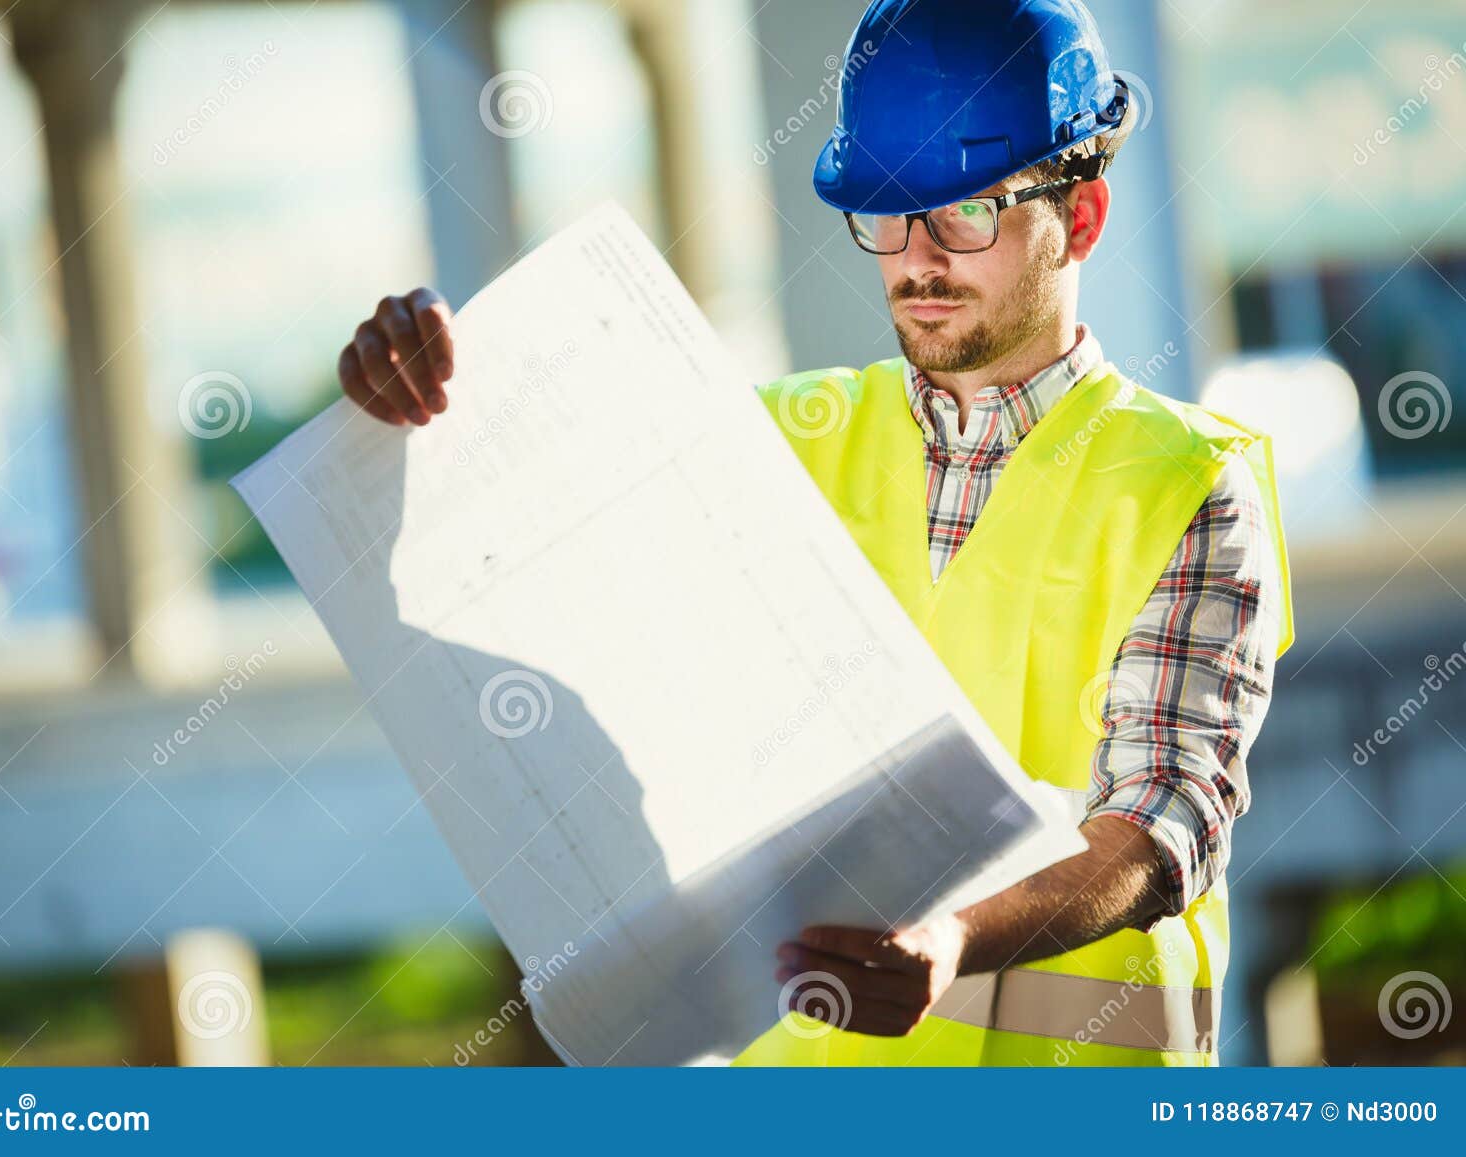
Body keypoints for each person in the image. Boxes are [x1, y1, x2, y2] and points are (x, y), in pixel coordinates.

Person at [334, 0, 1293, 1066]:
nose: (916, 259)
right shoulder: (777, 439)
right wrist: (420, 403)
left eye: (966, 210)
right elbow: (529, 562)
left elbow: (1163, 820)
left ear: (1082, 216)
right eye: (887, 212)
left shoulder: (1184, 482)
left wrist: (952, 939)